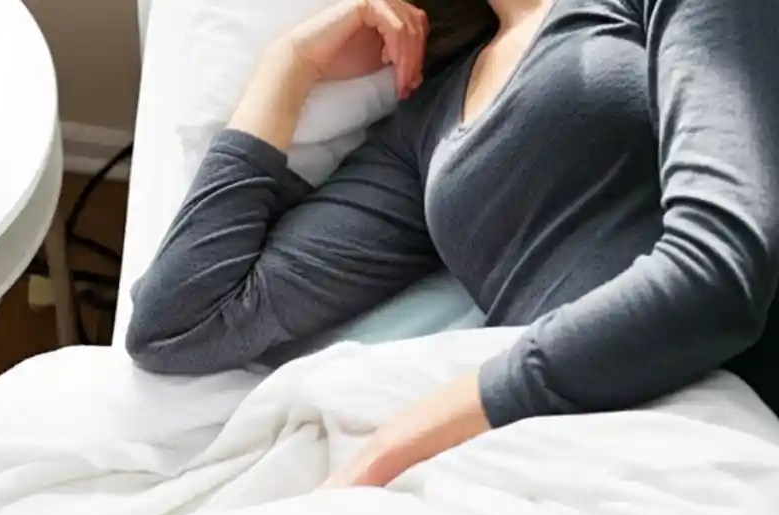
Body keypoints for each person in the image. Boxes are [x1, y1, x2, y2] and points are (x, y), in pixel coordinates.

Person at [126, 0, 779, 488]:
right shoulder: (425, 127)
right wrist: (290, 65)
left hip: (690, 431)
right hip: (524, 472)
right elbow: (180, 324)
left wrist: (406, 438)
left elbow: (721, 269)